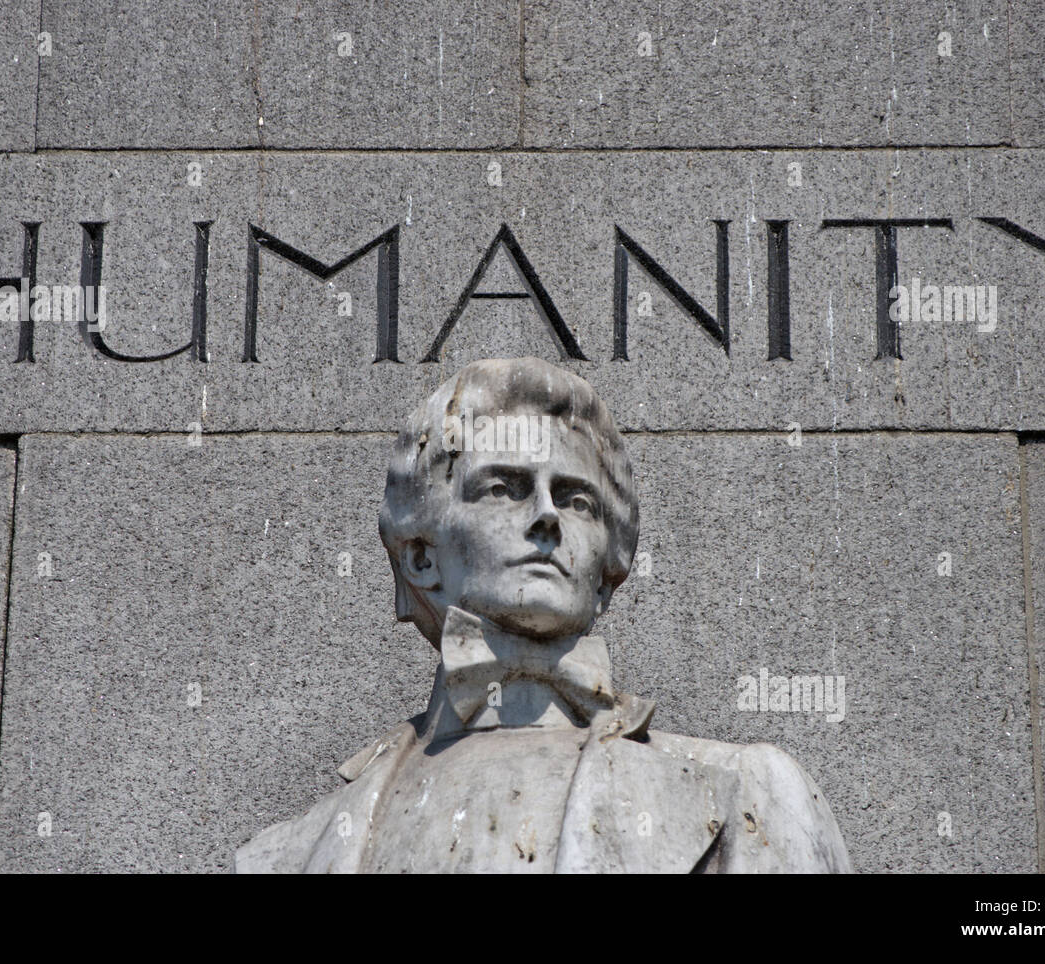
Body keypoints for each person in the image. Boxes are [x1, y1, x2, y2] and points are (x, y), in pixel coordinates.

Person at [237, 357, 850, 873]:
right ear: (421, 556)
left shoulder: (754, 794)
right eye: (503, 488)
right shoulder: (282, 858)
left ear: (606, 575)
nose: (548, 516)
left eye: (577, 500)